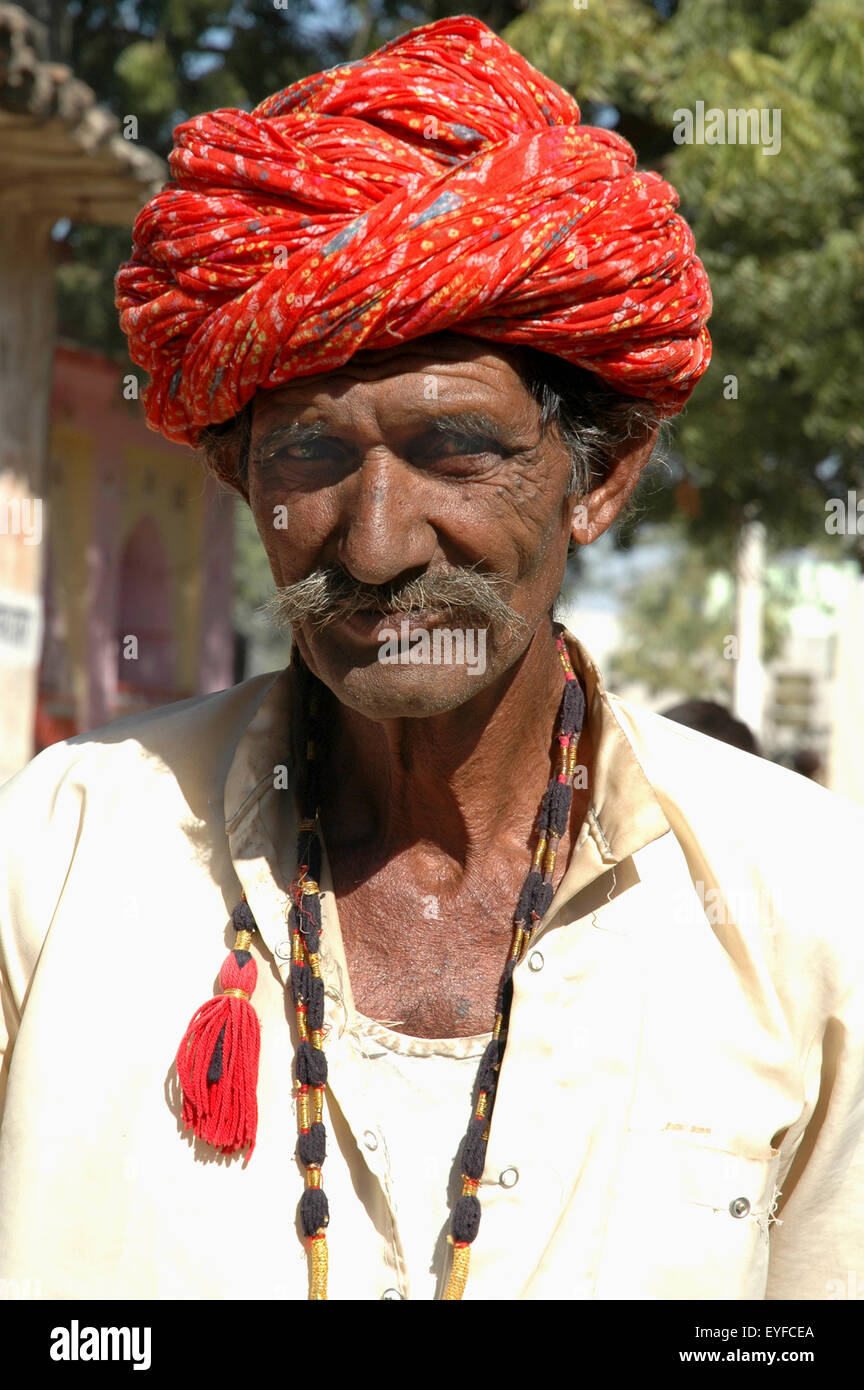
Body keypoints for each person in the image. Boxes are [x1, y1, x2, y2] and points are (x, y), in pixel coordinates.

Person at [1, 15, 862, 1302]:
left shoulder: (806, 908)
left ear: (601, 477)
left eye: (459, 449)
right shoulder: (58, 856)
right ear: (239, 474)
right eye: (308, 454)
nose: (382, 540)